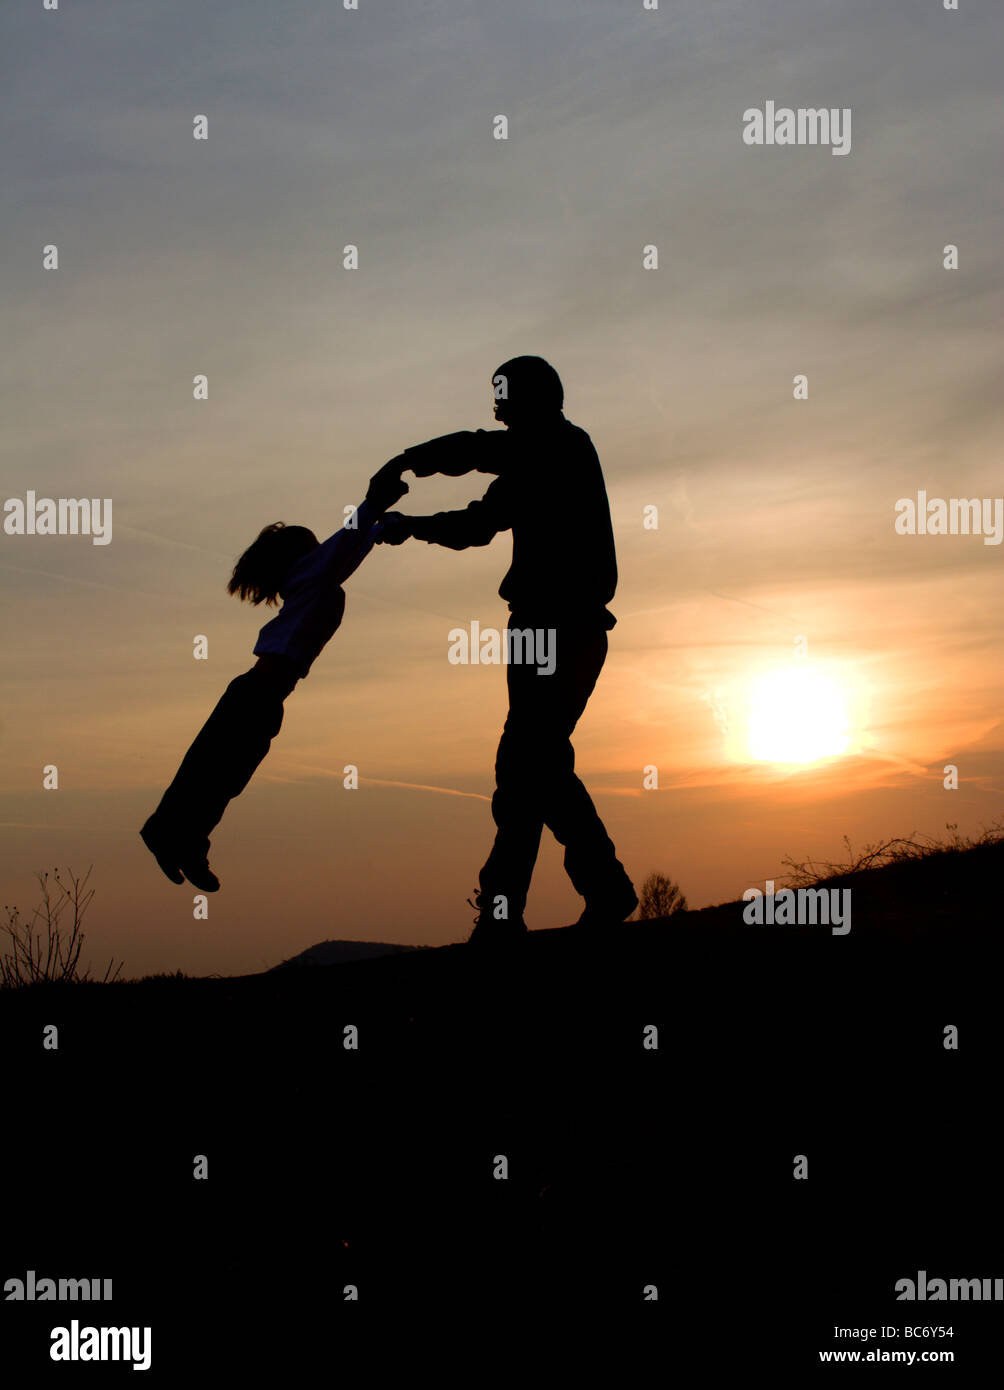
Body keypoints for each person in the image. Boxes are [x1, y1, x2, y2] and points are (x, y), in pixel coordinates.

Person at [376, 355, 637, 944]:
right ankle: (583, 894)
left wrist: (406, 461)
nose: (498, 411)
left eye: (505, 398)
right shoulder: (534, 461)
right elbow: (477, 523)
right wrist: (411, 524)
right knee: (537, 765)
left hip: (561, 630)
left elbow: (475, 451)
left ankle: (509, 911)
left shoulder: (559, 447)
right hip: (545, 629)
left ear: (530, 400)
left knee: (526, 764)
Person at [140, 467, 408, 891]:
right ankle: (172, 835)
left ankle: (182, 838)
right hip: (256, 692)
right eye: (314, 546)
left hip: (263, 695)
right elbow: (342, 547)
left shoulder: (315, 579)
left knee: (224, 775)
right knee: (212, 770)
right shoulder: (308, 575)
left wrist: (381, 526)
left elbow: (344, 553)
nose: (322, 549)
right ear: (299, 558)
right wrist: (374, 507)